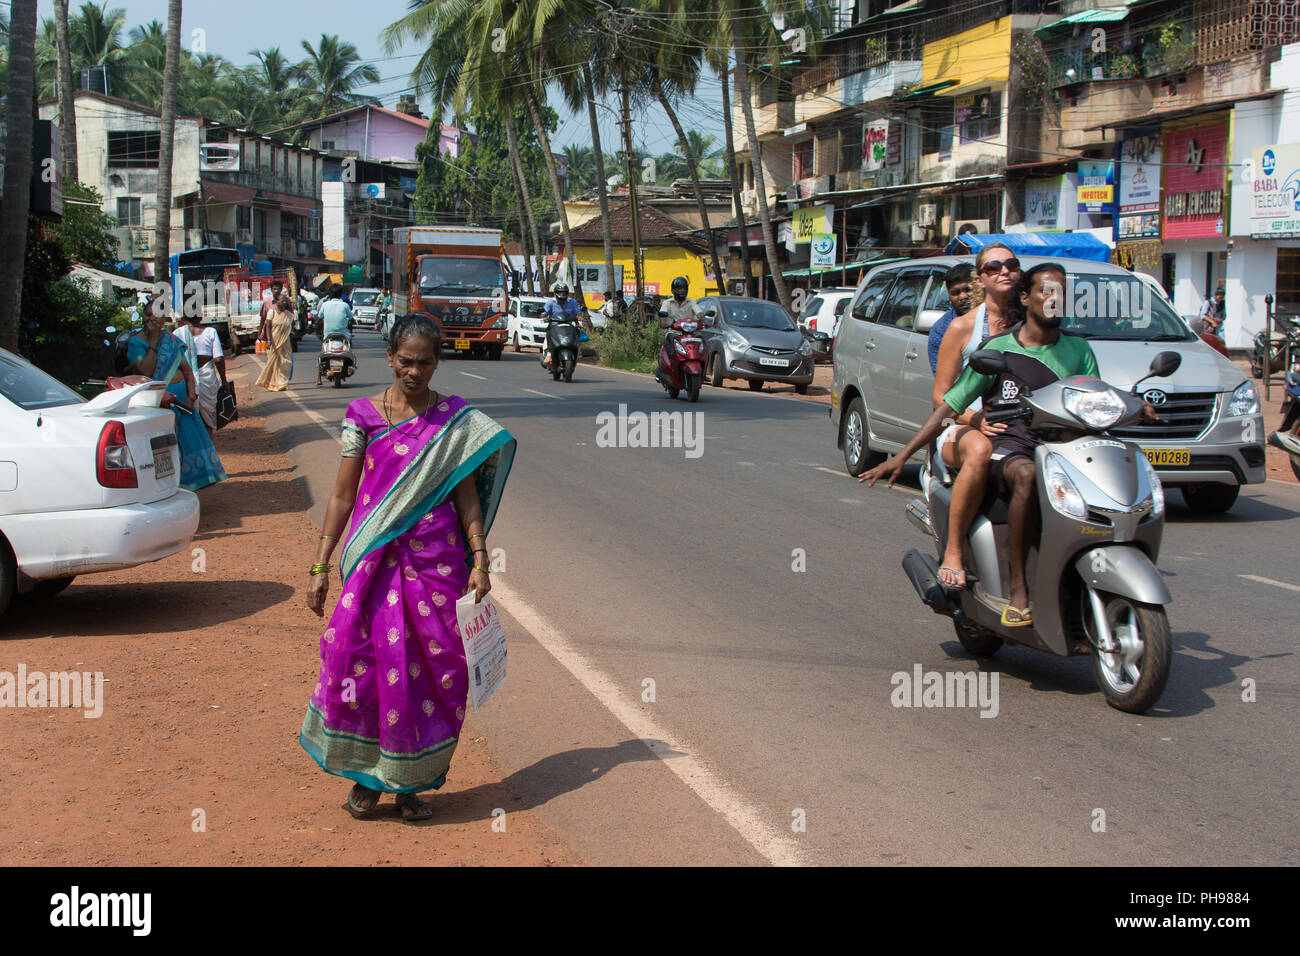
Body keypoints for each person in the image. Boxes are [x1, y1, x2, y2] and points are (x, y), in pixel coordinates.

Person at [301, 313, 516, 822]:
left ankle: (411, 783)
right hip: (374, 563)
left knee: (434, 670)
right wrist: (320, 564)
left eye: (424, 363)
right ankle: (366, 779)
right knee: (359, 661)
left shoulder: (454, 422)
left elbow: (467, 497)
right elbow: (341, 495)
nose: (414, 372)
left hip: (436, 566)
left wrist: (480, 558)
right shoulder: (363, 415)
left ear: (437, 362)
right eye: (405, 362)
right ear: (391, 357)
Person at [859, 263, 1100, 628]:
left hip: (1063, 449)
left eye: (1062, 293)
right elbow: (950, 404)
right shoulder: (998, 349)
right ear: (1025, 298)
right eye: (1046, 292)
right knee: (1025, 474)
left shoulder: (1079, 349)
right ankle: (1018, 589)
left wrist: (1138, 407)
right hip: (1012, 444)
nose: (1055, 300)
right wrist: (904, 455)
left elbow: (1094, 397)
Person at [926, 247, 1022, 589]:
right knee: (980, 450)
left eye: (1011, 265)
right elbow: (941, 396)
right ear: (980, 278)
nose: (1004, 272)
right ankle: (954, 550)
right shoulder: (962, 327)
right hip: (963, 430)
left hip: (1021, 429)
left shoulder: (1034, 325)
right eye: (994, 267)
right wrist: (974, 419)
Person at [127, 297, 227, 491]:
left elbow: (186, 369)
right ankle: (172, 488)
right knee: (169, 448)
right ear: (142, 317)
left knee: (189, 444)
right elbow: (146, 372)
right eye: (148, 315)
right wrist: (154, 342)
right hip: (159, 405)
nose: (152, 320)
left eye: (156, 316)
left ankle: (191, 488)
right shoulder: (136, 343)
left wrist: (190, 395)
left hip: (183, 404)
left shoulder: (172, 339)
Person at [173, 311, 227, 433]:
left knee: (189, 415)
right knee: (208, 416)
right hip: (207, 377)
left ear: (184, 316)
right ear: (201, 316)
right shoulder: (210, 332)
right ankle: (209, 445)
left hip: (185, 380)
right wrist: (224, 380)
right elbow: (218, 359)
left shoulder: (177, 334)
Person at [926, 263, 976, 373]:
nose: (963, 297)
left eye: (968, 290)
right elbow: (944, 379)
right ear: (949, 297)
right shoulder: (941, 330)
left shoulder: (997, 318)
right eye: (956, 293)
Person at [256, 294, 296, 392]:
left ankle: (282, 383)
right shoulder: (271, 312)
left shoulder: (289, 315)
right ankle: (271, 383)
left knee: (285, 362)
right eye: (282, 301)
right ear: (276, 302)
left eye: (285, 301)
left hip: (285, 342)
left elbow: (292, 325)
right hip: (273, 342)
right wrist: (269, 340)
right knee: (273, 363)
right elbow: (268, 327)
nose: (284, 302)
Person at [317, 285, 354, 385]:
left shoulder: (325, 304)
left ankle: (318, 378)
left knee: (322, 353)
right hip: (343, 334)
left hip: (328, 334)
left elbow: (320, 316)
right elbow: (351, 317)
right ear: (341, 294)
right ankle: (352, 363)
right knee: (349, 344)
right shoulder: (345, 305)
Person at [541, 283, 581, 367]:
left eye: (564, 293)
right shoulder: (551, 302)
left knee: (577, 331)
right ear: (556, 293)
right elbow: (544, 313)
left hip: (568, 325)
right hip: (554, 325)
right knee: (549, 332)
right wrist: (545, 317)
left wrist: (579, 317)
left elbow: (578, 313)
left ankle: (575, 349)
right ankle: (549, 353)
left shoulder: (572, 302)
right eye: (560, 292)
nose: (562, 294)